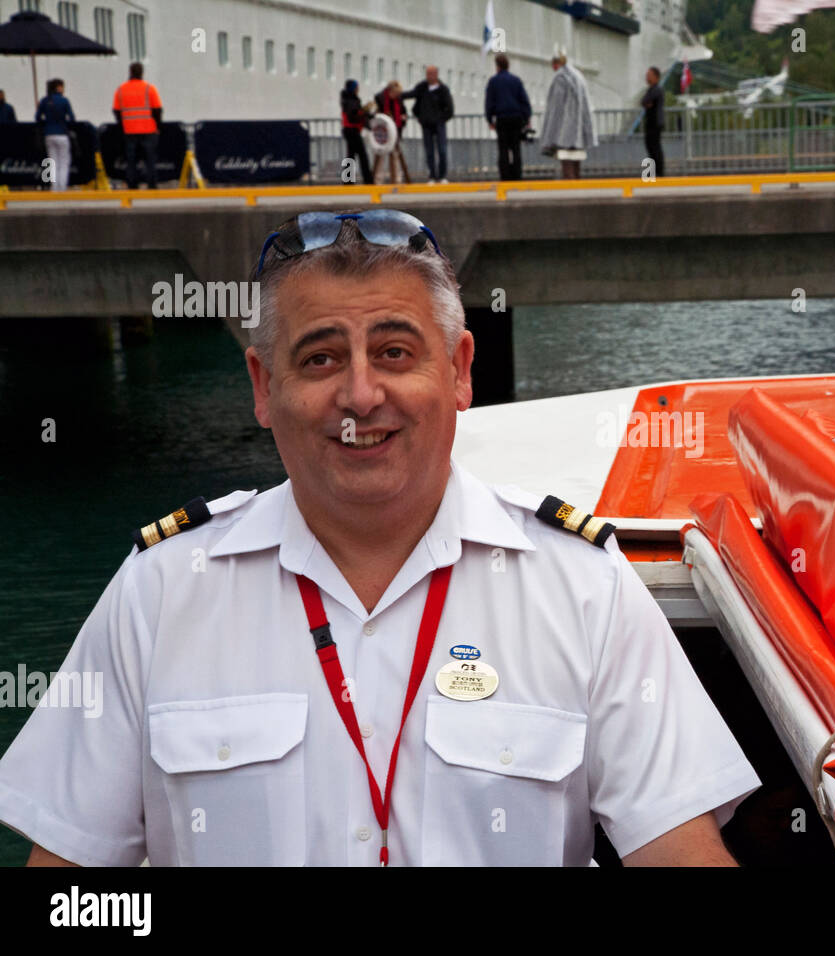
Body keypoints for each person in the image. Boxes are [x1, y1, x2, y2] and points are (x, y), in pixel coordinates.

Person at [0, 208, 761, 867]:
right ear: (265, 387)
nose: (360, 396)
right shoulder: (159, 593)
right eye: (321, 358)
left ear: (460, 372)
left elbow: (677, 849)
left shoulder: (585, 589)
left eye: (395, 352)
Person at [539, 54, 597, 180]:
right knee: (576, 159)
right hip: (578, 129)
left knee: (566, 160)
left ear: (555, 64)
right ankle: (577, 185)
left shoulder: (560, 77)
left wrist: (551, 133)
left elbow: (556, 106)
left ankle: (570, 188)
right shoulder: (578, 76)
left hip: (565, 128)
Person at [112, 62, 162, 189]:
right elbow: (157, 110)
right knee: (150, 160)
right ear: (142, 73)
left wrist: (122, 125)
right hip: (148, 129)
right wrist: (158, 127)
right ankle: (152, 185)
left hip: (129, 130)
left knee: (131, 160)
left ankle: (132, 185)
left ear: (130, 72)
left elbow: (116, 111)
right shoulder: (149, 89)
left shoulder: (121, 89)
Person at [402, 66, 455, 183]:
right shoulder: (422, 87)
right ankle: (432, 175)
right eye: (427, 74)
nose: (429, 76)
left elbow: (450, 108)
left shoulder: (443, 89)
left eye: (431, 74)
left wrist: (442, 119)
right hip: (426, 124)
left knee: (442, 150)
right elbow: (412, 96)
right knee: (429, 151)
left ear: (436, 74)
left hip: (439, 124)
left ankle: (442, 176)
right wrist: (420, 117)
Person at [484, 53, 530, 181]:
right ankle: (517, 175)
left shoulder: (493, 81)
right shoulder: (516, 80)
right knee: (516, 148)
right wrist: (527, 118)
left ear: (497, 66)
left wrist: (490, 119)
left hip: (502, 119)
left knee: (503, 148)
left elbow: (489, 102)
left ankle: (505, 176)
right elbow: (524, 101)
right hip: (516, 118)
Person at [35, 79, 75, 191]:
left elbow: (37, 117)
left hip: (49, 134)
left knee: (52, 161)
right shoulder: (64, 101)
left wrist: (46, 123)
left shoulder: (44, 101)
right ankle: (62, 187)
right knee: (64, 162)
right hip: (62, 133)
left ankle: (54, 187)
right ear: (58, 87)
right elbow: (72, 117)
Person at [373, 80, 411, 184]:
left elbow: (403, 112)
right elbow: (376, 115)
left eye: (398, 94)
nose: (396, 95)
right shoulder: (379, 99)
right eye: (395, 93)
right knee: (381, 155)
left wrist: (403, 118)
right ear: (390, 91)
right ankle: (377, 180)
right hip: (383, 132)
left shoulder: (398, 100)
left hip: (395, 131)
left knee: (395, 155)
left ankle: (397, 180)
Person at [340, 79, 373, 185]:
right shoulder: (351, 100)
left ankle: (348, 180)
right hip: (352, 129)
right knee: (362, 155)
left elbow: (356, 113)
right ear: (353, 88)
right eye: (357, 87)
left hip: (350, 129)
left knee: (351, 155)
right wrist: (364, 112)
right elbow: (354, 115)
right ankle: (367, 180)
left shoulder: (348, 99)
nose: (358, 89)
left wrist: (365, 113)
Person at [641, 66, 666, 179]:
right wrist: (647, 103)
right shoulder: (651, 89)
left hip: (655, 122)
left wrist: (648, 103)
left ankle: (659, 172)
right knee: (650, 147)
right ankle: (652, 172)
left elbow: (646, 101)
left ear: (656, 77)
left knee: (654, 147)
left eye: (649, 75)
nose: (647, 77)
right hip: (651, 122)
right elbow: (644, 101)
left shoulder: (656, 89)